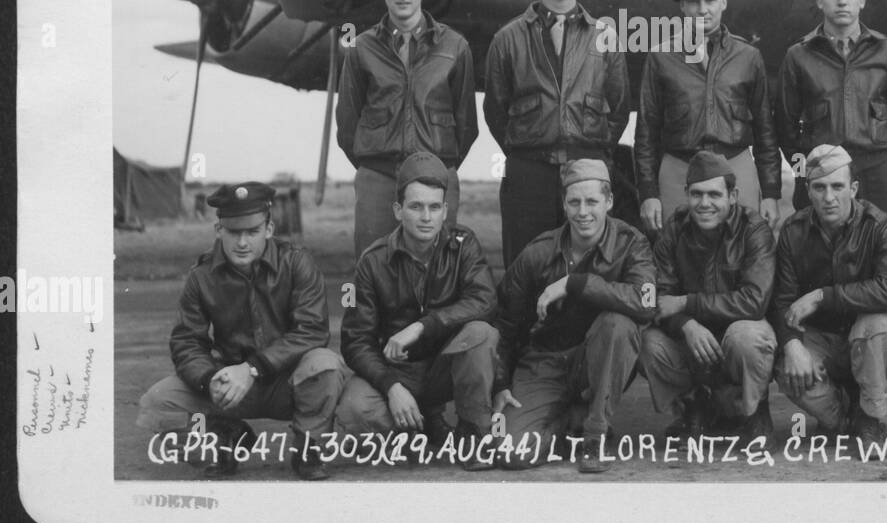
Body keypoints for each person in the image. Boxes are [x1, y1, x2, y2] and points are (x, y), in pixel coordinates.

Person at [136, 182, 344, 480]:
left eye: (252, 231)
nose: (242, 242)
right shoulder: (201, 276)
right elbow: (186, 342)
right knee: (158, 403)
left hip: (288, 381)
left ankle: (308, 447)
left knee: (325, 364)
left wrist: (253, 369)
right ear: (219, 230)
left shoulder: (297, 262)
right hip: (229, 386)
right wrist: (209, 380)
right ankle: (225, 437)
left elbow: (311, 330)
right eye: (234, 232)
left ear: (269, 229)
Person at [336, 152, 499, 470]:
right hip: (398, 372)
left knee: (481, 334)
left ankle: (473, 433)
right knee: (353, 410)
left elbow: (485, 300)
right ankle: (414, 430)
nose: (426, 217)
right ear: (398, 210)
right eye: (415, 206)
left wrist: (424, 326)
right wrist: (390, 387)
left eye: (434, 207)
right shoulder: (372, 261)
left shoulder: (464, 244)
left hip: (445, 366)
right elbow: (354, 341)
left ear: (445, 211)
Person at [492, 159, 655, 473]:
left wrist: (576, 283)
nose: (583, 212)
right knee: (512, 453)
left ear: (609, 201)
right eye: (574, 202)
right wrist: (500, 383)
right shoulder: (538, 253)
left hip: (599, 360)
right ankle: (570, 427)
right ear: (563, 205)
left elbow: (645, 301)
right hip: (545, 362)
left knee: (618, 324)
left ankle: (595, 433)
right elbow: (506, 323)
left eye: (592, 201)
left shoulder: (631, 244)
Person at [484, 0, 630, 268]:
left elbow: (620, 109)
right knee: (524, 266)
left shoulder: (606, 36)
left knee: (587, 266)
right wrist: (527, 147)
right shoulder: (508, 38)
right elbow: (495, 109)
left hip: (585, 170)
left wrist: (590, 152)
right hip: (528, 172)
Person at [336, 0, 478, 260]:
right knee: (373, 266)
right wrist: (375, 164)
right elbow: (347, 123)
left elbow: (466, 123)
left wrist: (438, 168)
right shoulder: (360, 49)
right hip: (378, 177)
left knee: (437, 270)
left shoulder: (455, 47)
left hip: (435, 178)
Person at [771, 145, 887, 456]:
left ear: (854, 189)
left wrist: (823, 296)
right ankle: (840, 416)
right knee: (785, 365)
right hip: (820, 338)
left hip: (866, 335)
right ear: (808, 190)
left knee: (878, 324)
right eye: (819, 187)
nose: (828, 197)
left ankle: (870, 420)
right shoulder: (793, 231)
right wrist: (792, 346)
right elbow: (782, 300)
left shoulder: (880, 225)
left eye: (837, 187)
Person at [639, 151, 777, 445]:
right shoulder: (673, 231)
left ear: (733, 195)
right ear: (686, 194)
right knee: (646, 341)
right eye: (697, 194)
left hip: (738, 332)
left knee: (748, 338)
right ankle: (693, 406)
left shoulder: (754, 230)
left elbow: (754, 301)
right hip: (692, 338)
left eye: (715, 194)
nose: (705, 204)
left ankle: (753, 411)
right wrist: (687, 323)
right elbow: (659, 297)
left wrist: (688, 302)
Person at [635, 0, 781, 234]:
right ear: (682, 7)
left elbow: (765, 131)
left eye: (710, 0)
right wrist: (648, 192)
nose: (703, 9)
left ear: (723, 2)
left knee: (742, 253)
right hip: (679, 169)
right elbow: (646, 133)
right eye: (693, 1)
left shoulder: (748, 57)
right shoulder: (661, 57)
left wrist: (771, 191)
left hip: (735, 165)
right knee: (677, 258)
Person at [775, 0, 887, 215]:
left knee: (878, 250)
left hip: (874, 175)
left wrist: (884, 167)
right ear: (819, 1)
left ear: (862, 0)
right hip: (820, 175)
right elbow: (785, 128)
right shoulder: (798, 56)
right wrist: (809, 170)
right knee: (817, 252)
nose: (842, 1)